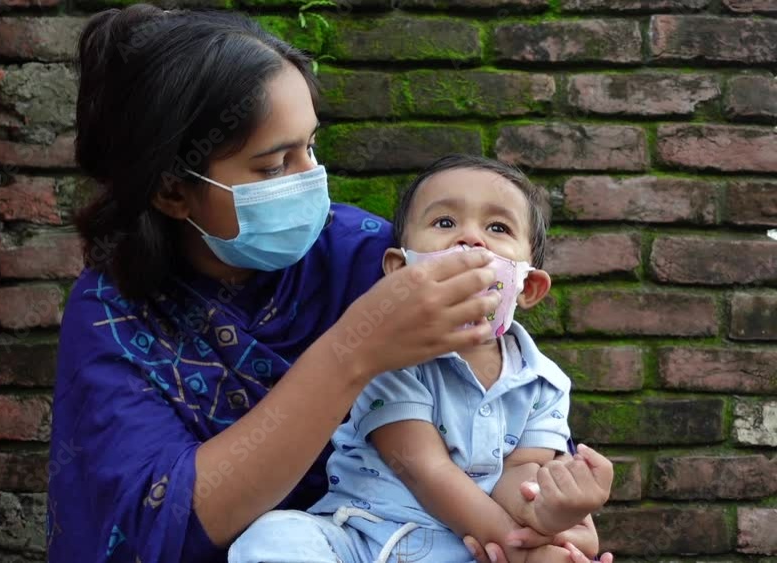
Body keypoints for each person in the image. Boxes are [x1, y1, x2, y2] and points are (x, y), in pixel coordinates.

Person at [45, 5, 613, 562]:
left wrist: (555, 530)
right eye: (273, 166)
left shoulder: (369, 256)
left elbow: (504, 437)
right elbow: (158, 523)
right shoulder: (114, 317)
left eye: (309, 147)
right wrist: (354, 351)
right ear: (172, 190)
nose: (308, 180)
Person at [228, 155, 615, 563]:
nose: (470, 238)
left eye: (497, 227)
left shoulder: (545, 383)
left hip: (467, 549)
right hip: (367, 539)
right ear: (400, 270)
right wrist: (515, 547)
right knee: (273, 537)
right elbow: (421, 467)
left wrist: (555, 511)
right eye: (445, 223)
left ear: (529, 286)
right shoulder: (389, 356)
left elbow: (520, 476)